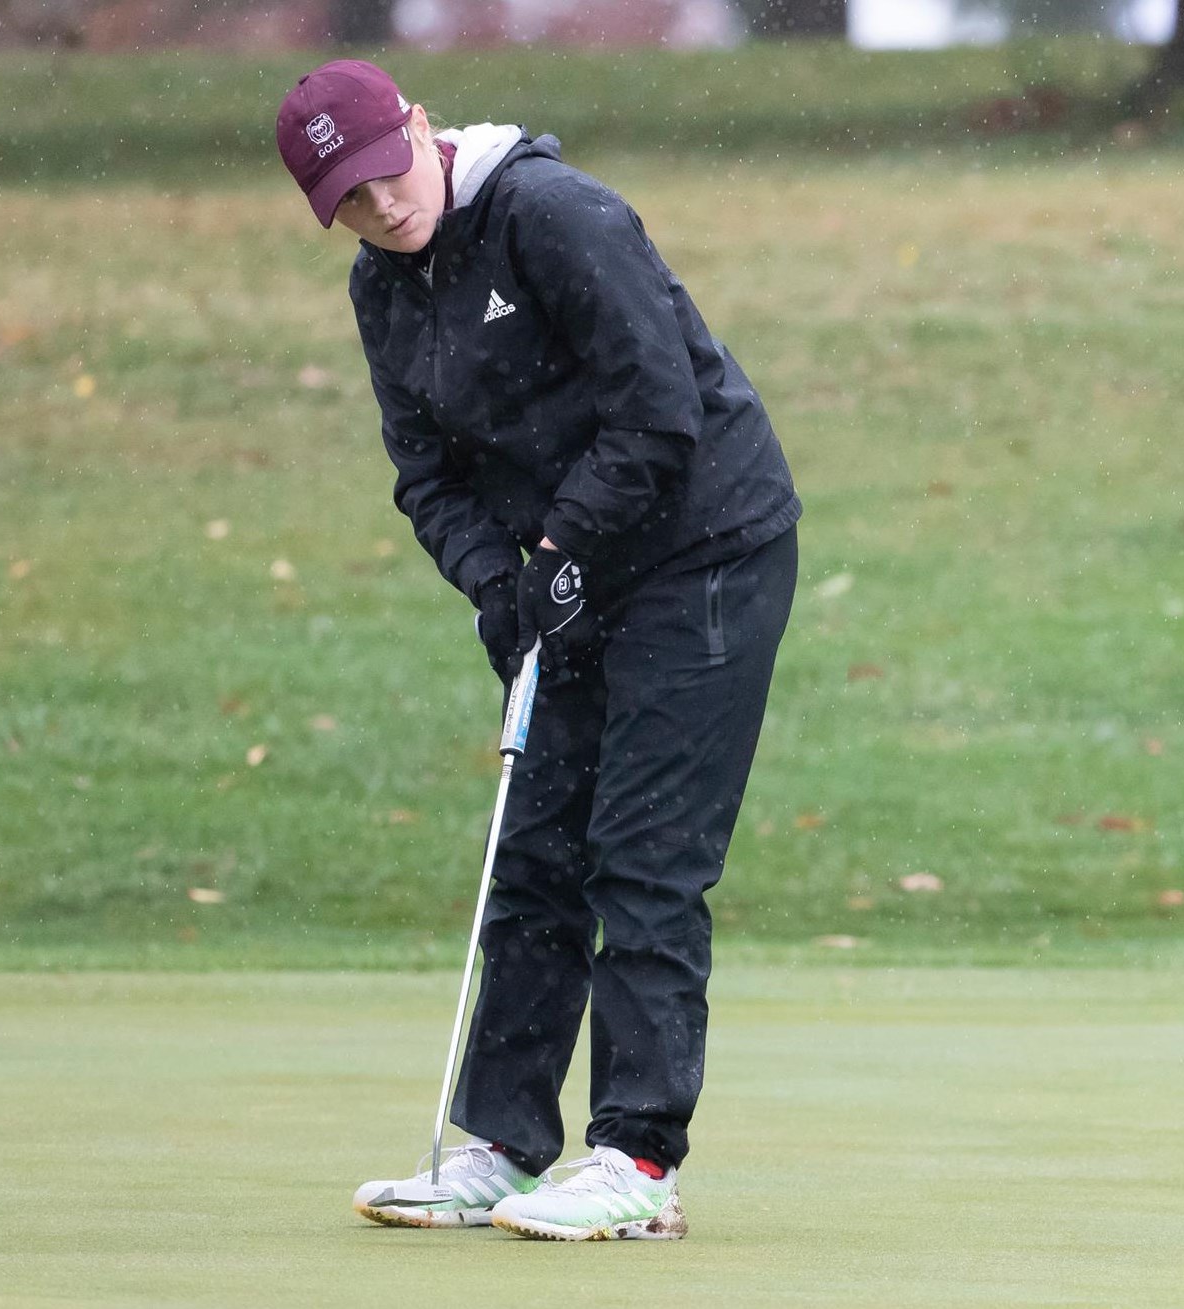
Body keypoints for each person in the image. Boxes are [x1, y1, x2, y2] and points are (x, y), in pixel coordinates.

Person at [274, 59, 801, 1242]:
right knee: (537, 849)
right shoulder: (382, 287)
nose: (381, 206)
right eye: (348, 200)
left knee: (644, 855)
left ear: (419, 124)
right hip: (566, 580)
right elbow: (427, 474)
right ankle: (507, 1149)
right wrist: (498, 586)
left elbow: (659, 410)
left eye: (386, 173)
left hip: (705, 551)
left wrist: (560, 546)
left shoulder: (554, 215)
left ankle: (638, 1162)